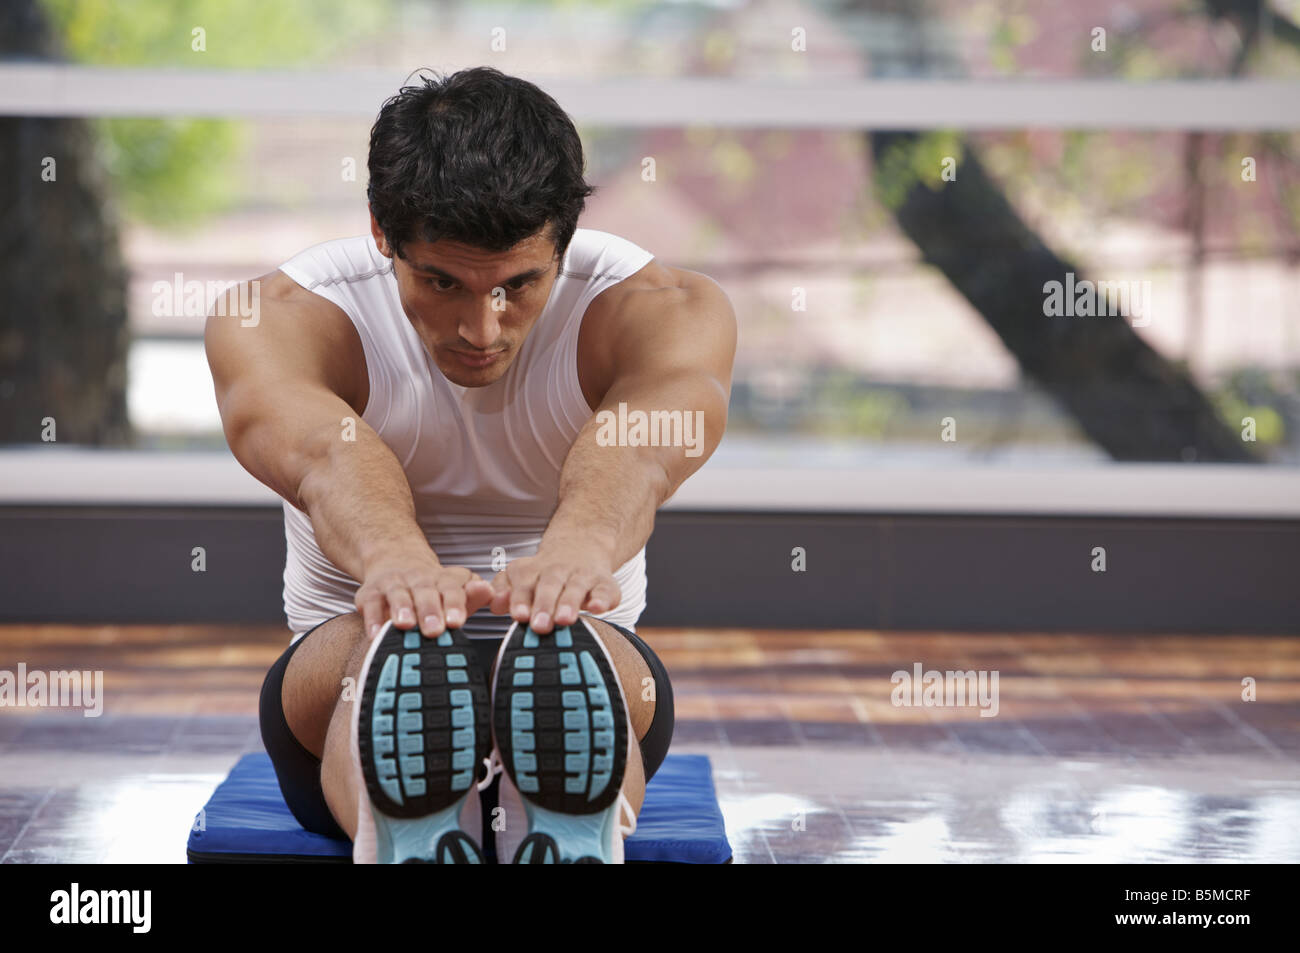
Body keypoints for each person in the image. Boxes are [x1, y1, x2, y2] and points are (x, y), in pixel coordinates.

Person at [204, 66, 736, 863]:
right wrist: (395, 564)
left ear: (567, 234)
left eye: (518, 285)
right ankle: (405, 825)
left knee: (580, 642)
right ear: (382, 230)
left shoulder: (658, 308)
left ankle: (555, 824)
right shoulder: (287, 317)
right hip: (350, 669)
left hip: (582, 661)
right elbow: (322, 451)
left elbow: (644, 439)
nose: (481, 329)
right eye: (442, 282)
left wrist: (579, 549)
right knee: (383, 641)